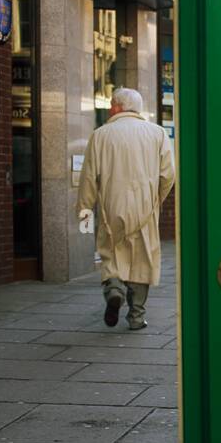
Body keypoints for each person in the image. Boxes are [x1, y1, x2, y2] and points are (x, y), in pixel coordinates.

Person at [76, 88, 175, 330]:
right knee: (142, 258)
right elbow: (168, 175)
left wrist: (85, 208)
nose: (109, 107)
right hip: (145, 207)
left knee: (111, 251)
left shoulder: (100, 135)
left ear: (119, 106)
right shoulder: (158, 133)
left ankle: (114, 290)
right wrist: (156, 200)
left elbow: (89, 177)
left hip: (112, 205)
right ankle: (136, 317)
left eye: (111, 103)